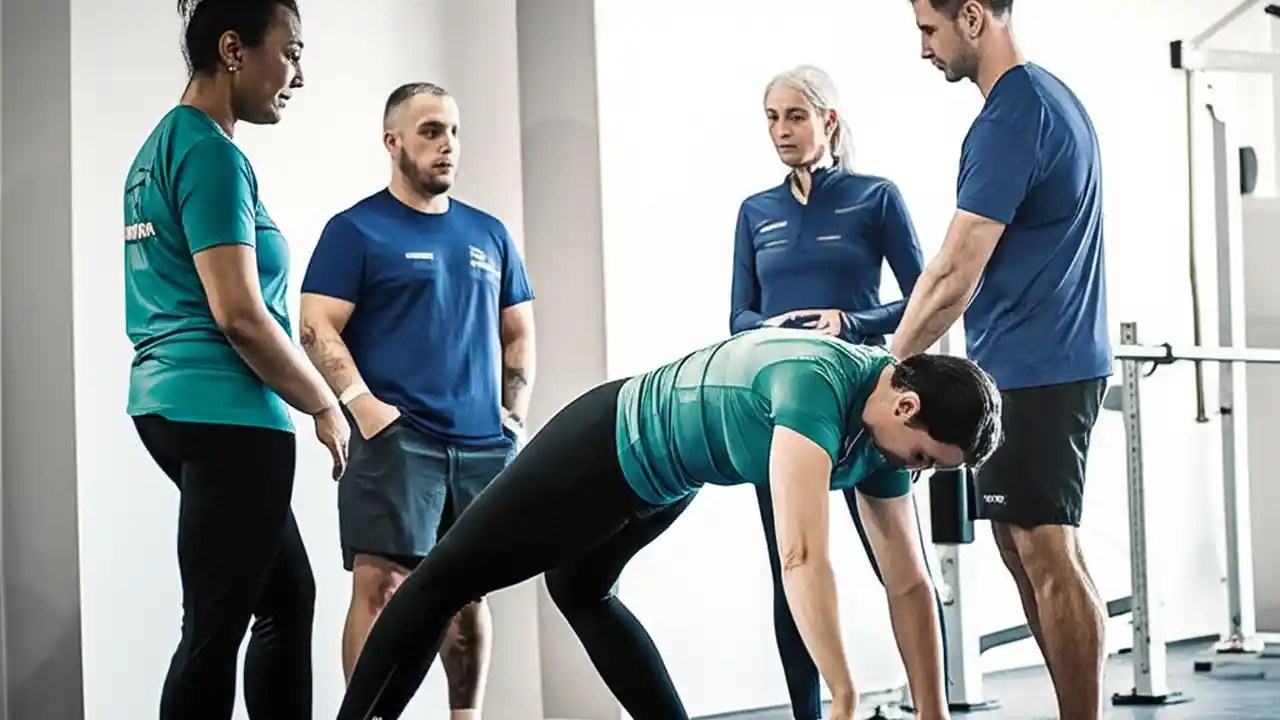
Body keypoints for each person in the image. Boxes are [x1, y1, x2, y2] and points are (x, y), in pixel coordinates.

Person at [337, 327, 1002, 720]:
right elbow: (802, 555)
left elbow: (909, 585)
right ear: (907, 405)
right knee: (442, 581)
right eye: (920, 459)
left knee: (581, 592)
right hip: (604, 442)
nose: (911, 474)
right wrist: (846, 695)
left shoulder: (888, 439)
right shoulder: (817, 387)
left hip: (665, 483)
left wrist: (933, 712)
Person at [122, 1, 347, 718]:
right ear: (233, 49)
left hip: (171, 404)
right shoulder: (210, 154)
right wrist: (323, 400)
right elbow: (241, 314)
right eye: (292, 52)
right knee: (216, 629)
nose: (299, 75)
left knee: (285, 597)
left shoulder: (160, 147)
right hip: (224, 412)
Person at [899, 2, 1111, 718]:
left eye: (929, 30)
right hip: (1018, 367)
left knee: (1048, 553)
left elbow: (955, 271)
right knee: (1021, 549)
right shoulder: (1044, 100)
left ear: (972, 18)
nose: (923, 49)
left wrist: (890, 367)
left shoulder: (1013, 119)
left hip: (1042, 366)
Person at [298, 82, 536, 718]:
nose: (447, 145)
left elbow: (517, 331)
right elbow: (316, 323)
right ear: (393, 141)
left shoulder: (489, 233)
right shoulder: (356, 230)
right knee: (382, 586)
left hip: (482, 444)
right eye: (431, 130)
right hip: (397, 442)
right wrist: (362, 405)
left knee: (469, 594)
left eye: (454, 131)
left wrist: (513, 414)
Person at [730, 64, 928, 719]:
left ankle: (933, 706)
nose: (781, 130)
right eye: (772, 117)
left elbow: (921, 297)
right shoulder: (755, 211)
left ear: (828, 122)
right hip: (783, 410)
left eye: (794, 116)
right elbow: (738, 317)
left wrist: (852, 323)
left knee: (900, 570)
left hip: (864, 408)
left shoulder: (876, 198)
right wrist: (768, 328)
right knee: (793, 568)